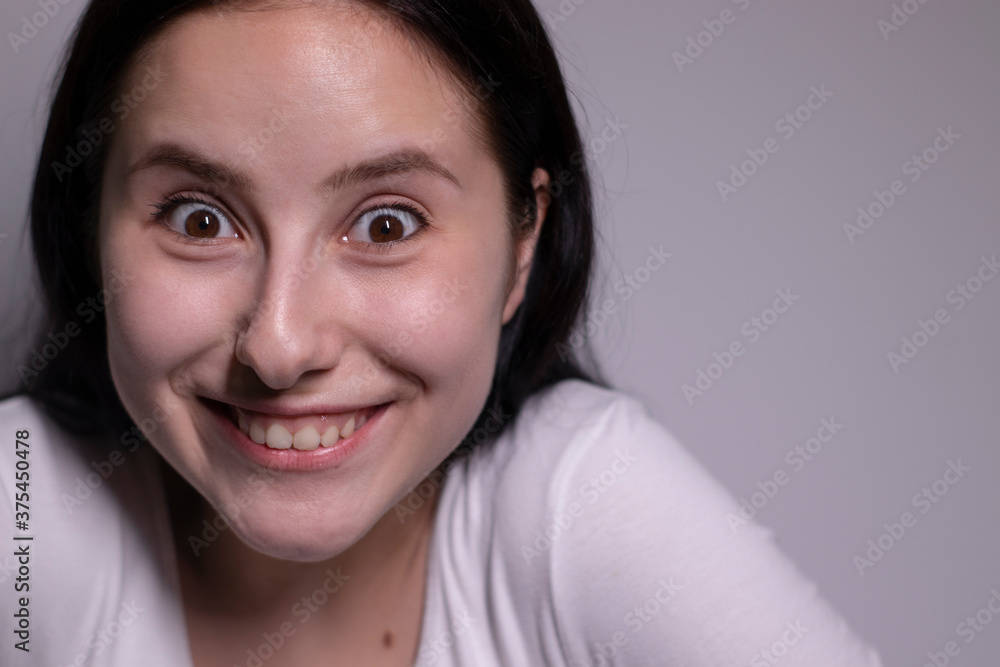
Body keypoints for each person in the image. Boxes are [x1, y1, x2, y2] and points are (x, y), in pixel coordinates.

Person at [0, 0, 885, 664]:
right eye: (200, 220)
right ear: (90, 227)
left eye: (386, 225)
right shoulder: (28, 506)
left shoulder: (573, 499)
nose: (278, 344)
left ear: (521, 244)